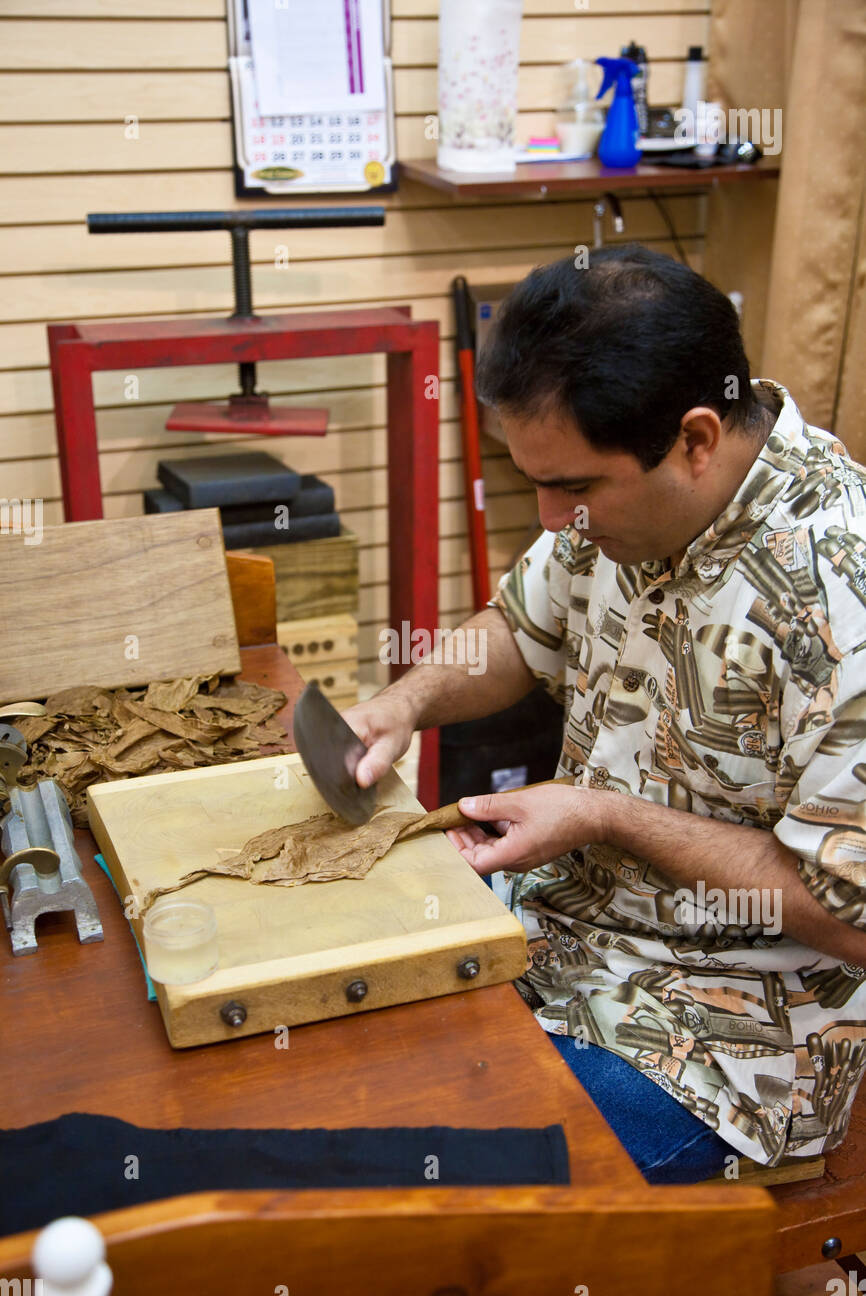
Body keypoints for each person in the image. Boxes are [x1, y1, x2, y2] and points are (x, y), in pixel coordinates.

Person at [342, 245, 866, 1182]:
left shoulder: (840, 599)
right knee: (329, 1072)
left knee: (424, 1187)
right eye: (534, 483)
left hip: (730, 1039)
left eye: (575, 487)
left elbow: (851, 919)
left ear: (697, 440)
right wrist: (403, 700)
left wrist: (601, 813)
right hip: (555, 936)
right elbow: (519, 626)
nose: (551, 518)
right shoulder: (619, 512)